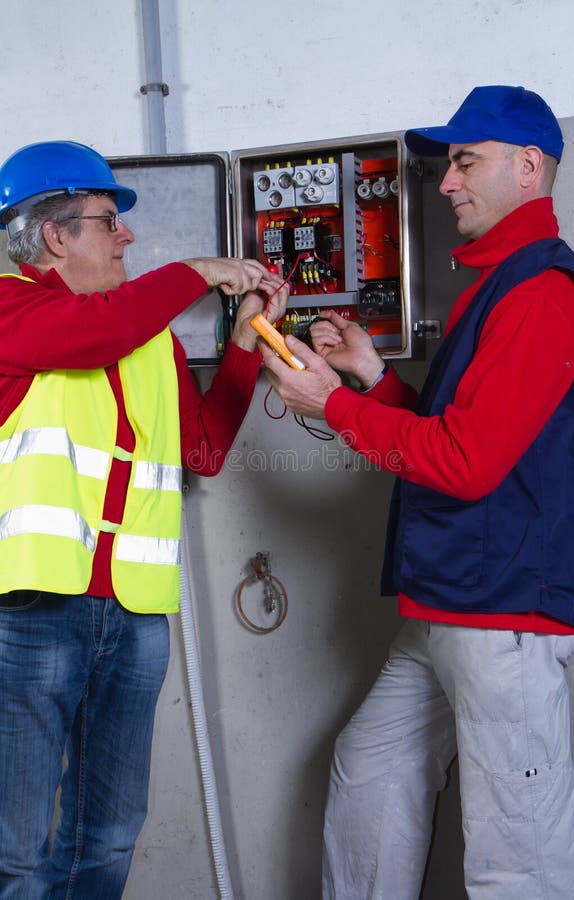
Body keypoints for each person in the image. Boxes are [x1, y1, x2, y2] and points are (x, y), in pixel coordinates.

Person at [261, 85, 574, 899]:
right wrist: (368, 379)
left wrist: (330, 407)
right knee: (371, 776)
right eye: (448, 164)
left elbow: (467, 463)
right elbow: (468, 435)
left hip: (502, 610)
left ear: (528, 168)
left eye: (464, 161)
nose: (446, 182)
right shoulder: (498, 285)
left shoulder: (540, 292)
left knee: (520, 856)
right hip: (450, 601)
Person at [0, 139, 288, 898]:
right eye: (107, 220)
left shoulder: (146, 333)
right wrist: (199, 271)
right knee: (20, 852)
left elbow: (202, 450)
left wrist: (244, 342)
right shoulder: (8, 306)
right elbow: (85, 334)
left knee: (110, 834)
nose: (127, 234)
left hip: (133, 617)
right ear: (54, 235)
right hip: (30, 614)